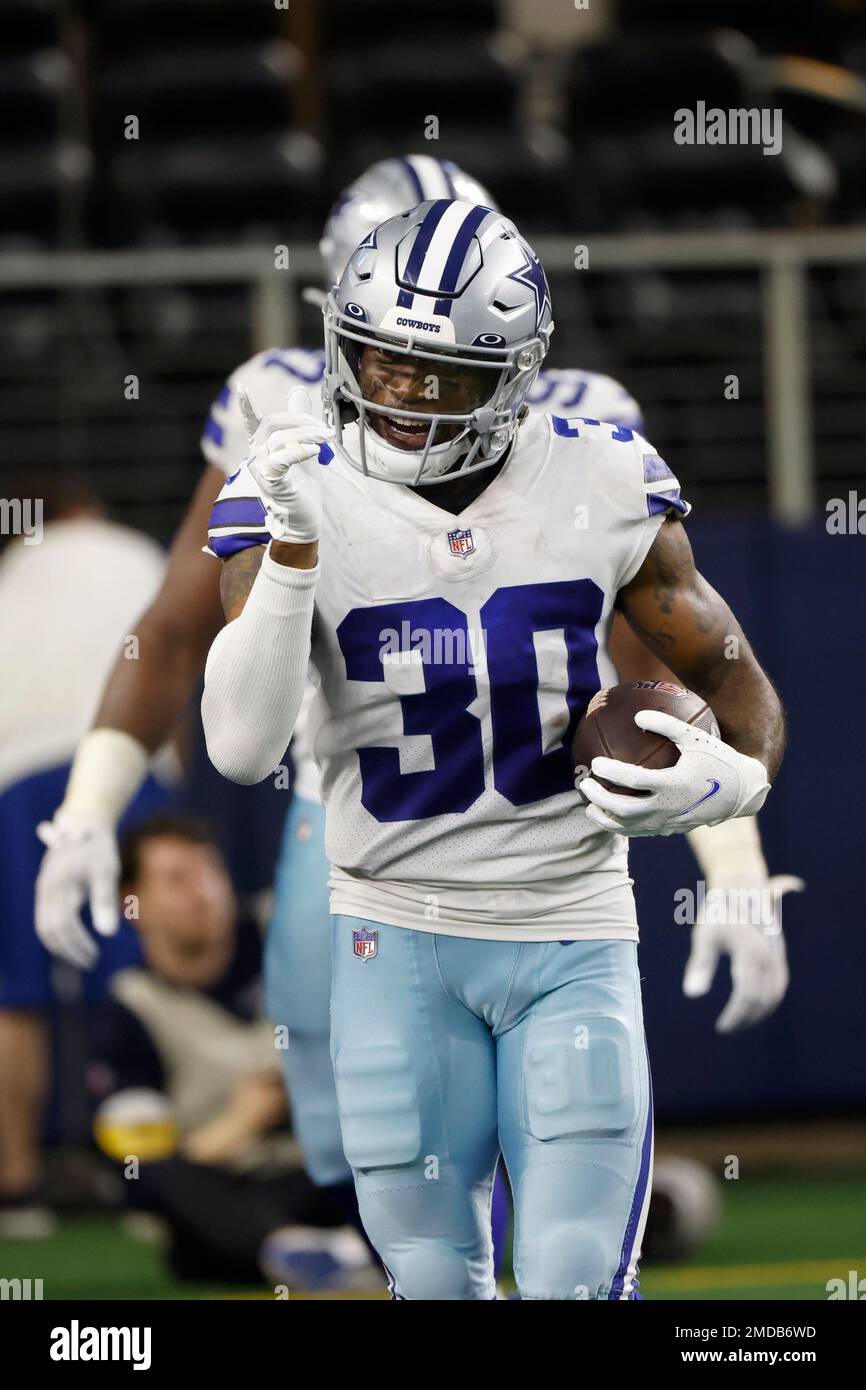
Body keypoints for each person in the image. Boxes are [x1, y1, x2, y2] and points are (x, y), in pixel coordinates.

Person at [200, 199, 787, 1300]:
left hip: (569, 922)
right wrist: (287, 555)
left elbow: (733, 679)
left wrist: (736, 779)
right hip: (388, 930)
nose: (403, 399)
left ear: (514, 374)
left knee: (574, 1281)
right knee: (433, 1280)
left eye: (442, 375)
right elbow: (239, 747)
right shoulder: (290, 485)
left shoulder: (601, 482)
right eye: (381, 362)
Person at [88, 812, 375, 1288]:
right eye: (177, 880)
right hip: (231, 1186)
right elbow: (137, 1169)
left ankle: (305, 1255)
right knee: (156, 1175)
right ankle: (308, 1253)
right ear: (132, 902)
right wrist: (241, 1122)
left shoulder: (290, 936)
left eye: (209, 871)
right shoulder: (131, 1007)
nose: (203, 892)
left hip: (329, 1161)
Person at [0, 473, 169, 1235]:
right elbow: (180, 660)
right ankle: (153, 1185)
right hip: (129, 771)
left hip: (19, 782)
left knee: (17, 996)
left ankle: (18, 1192)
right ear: (88, 509)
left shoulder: (12, 575)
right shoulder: (136, 553)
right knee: (138, 982)